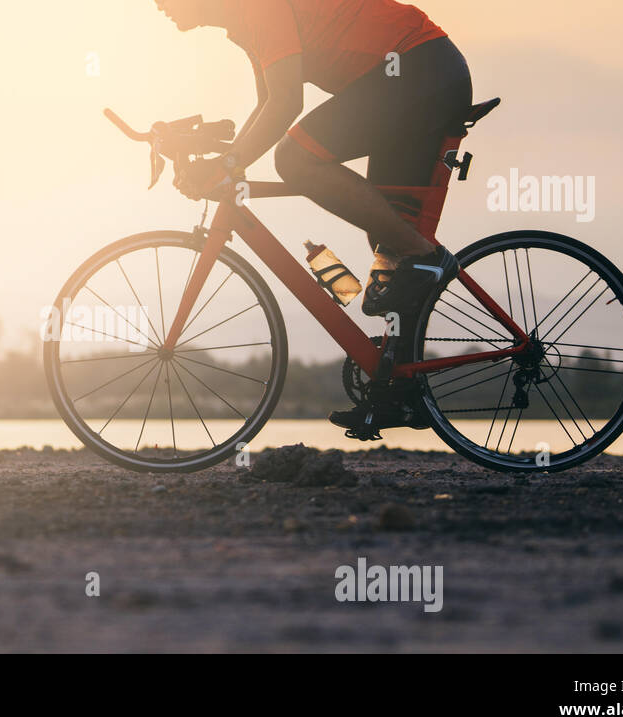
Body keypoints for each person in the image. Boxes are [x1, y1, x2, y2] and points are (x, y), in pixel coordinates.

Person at [156, 0, 474, 431]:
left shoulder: (258, 8)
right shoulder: (243, 22)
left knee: (295, 159)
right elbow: (268, 103)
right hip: (416, 73)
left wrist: (229, 164)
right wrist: (229, 161)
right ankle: (401, 393)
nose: (157, 6)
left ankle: (428, 258)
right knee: (390, 239)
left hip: (419, 68)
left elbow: (287, 104)